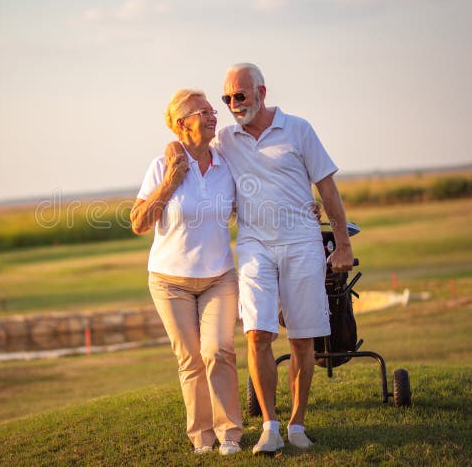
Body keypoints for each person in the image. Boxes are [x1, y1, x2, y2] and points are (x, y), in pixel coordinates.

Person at [215, 62, 354, 454]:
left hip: (302, 243)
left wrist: (342, 244)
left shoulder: (298, 129)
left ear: (262, 91)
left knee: (303, 338)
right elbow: (196, 153)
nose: (232, 104)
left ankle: (296, 424)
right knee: (257, 332)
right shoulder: (225, 139)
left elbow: (327, 187)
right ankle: (269, 426)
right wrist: (174, 147)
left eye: (239, 95)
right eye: (226, 98)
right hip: (255, 244)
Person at [130, 89, 243, 456]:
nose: (214, 115)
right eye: (204, 111)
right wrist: (171, 181)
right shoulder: (162, 165)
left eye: (213, 110)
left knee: (219, 351)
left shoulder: (227, 162)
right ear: (182, 124)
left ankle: (230, 434)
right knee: (191, 358)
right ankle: (202, 438)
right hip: (169, 281)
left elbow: (249, 208)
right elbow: (138, 223)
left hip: (219, 277)